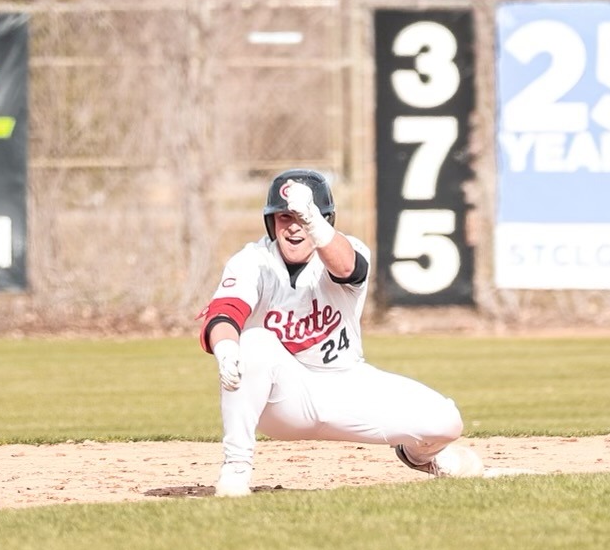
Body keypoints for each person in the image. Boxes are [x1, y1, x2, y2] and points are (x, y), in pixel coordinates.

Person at [197, 167, 488, 497]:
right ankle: (235, 470)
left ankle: (420, 456)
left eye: (301, 218)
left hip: (347, 383)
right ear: (270, 222)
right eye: (283, 218)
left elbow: (348, 268)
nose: (293, 227)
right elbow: (225, 311)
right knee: (253, 343)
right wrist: (224, 349)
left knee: (446, 421)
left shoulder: (347, 248)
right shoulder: (253, 260)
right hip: (283, 399)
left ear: (323, 219)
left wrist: (313, 221)